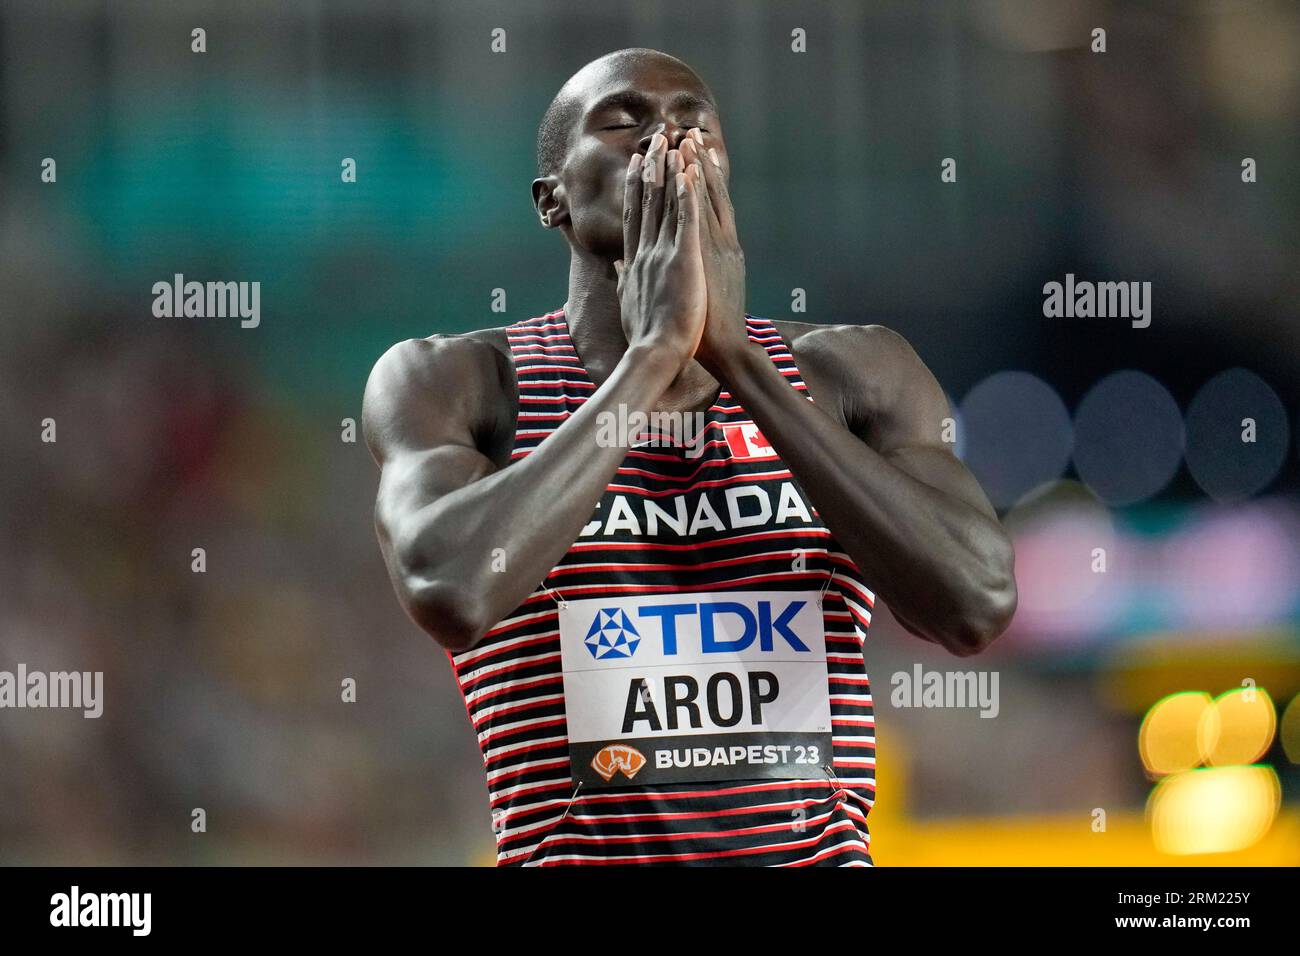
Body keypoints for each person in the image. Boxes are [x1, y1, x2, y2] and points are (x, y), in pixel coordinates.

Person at [363, 48, 1016, 865]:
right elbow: (450, 589)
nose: (666, 140)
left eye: (692, 122)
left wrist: (740, 362)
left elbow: (976, 601)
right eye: (623, 120)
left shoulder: (853, 370)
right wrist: (652, 357)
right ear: (551, 199)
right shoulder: (457, 380)